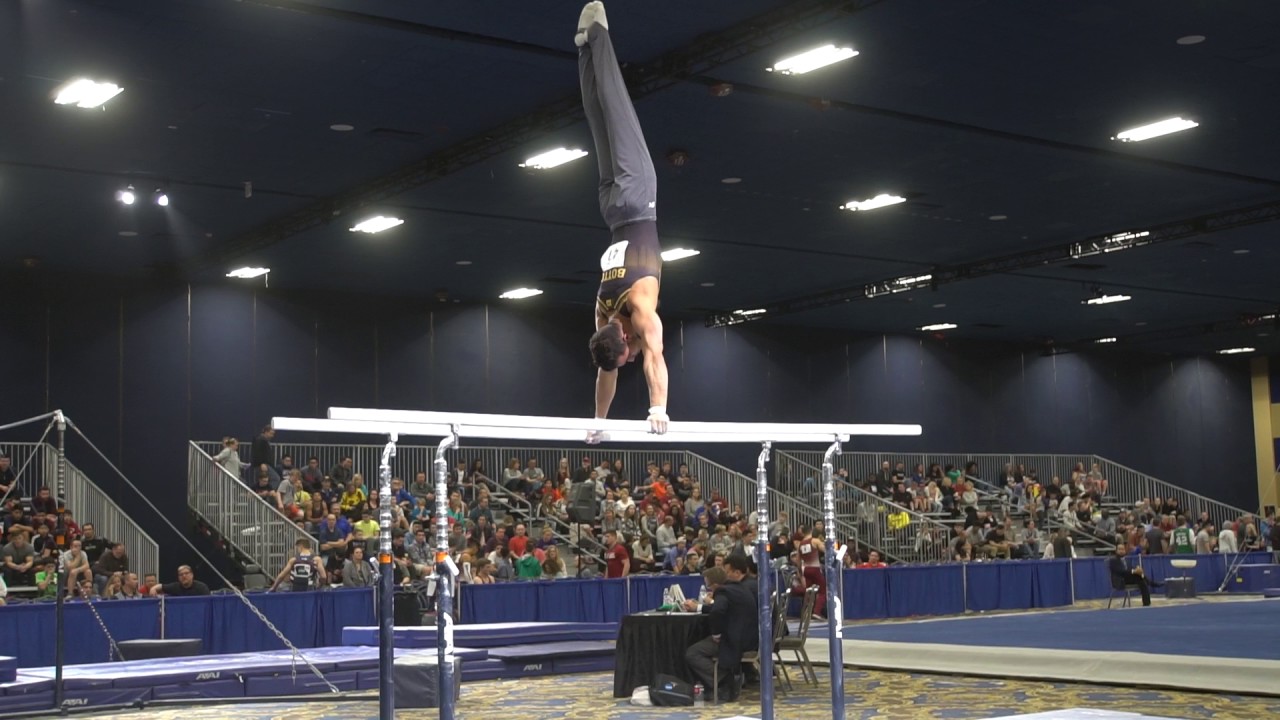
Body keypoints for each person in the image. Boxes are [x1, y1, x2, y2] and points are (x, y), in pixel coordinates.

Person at [576, 2, 669, 438]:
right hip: (610, 212)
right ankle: (582, 52)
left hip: (635, 202)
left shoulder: (641, 304)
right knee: (597, 121)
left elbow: (654, 356)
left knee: (617, 111)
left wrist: (658, 408)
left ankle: (599, 36)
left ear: (625, 341)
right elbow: (605, 372)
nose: (627, 362)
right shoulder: (601, 316)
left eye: (625, 356)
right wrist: (598, 423)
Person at [681, 555, 758, 702]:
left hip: (735, 640)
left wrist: (716, 634)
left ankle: (723, 680)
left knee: (693, 653)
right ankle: (723, 680)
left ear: (714, 584)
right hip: (749, 637)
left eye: (709, 586)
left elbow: (717, 611)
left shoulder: (723, 591)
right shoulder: (740, 587)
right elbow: (721, 608)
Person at [1108, 543, 1152, 607]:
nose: (1121, 551)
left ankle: (1147, 603)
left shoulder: (1126, 560)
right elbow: (1121, 572)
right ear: (1116, 551)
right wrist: (1134, 571)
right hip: (1120, 580)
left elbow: (1130, 569)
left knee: (1140, 578)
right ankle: (1152, 584)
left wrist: (1137, 570)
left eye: (1122, 549)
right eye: (1119, 549)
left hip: (1127, 579)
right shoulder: (1113, 560)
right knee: (1139, 578)